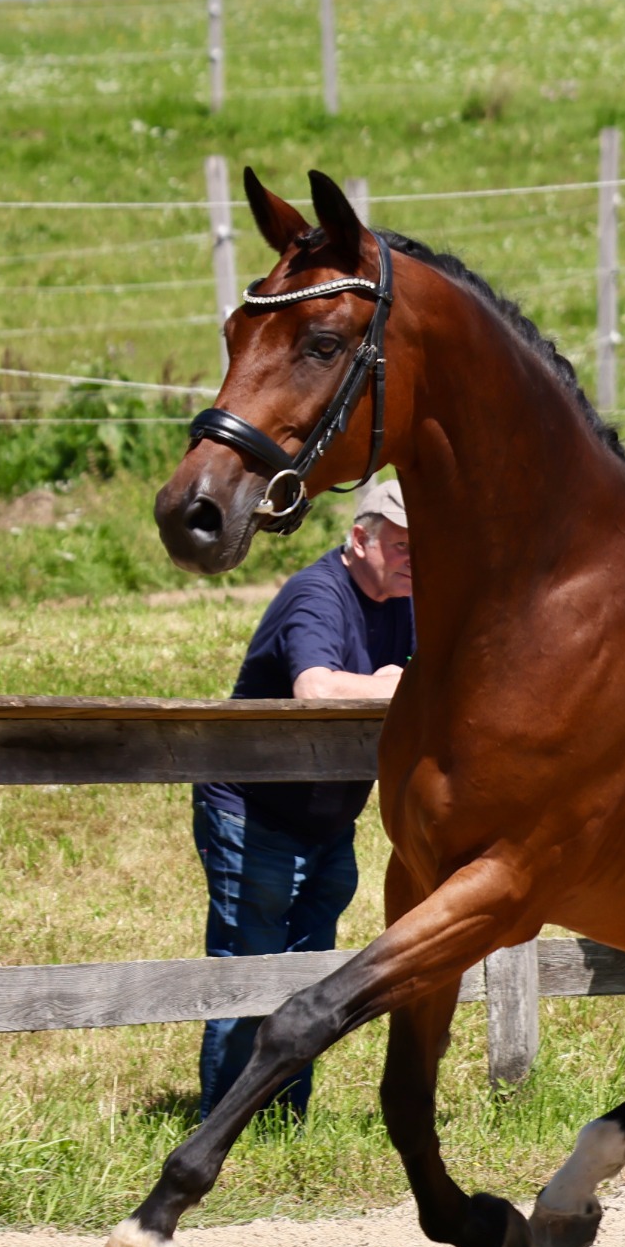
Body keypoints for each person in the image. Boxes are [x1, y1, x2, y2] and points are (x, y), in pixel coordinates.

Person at [192, 478, 414, 1123]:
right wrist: (391, 685)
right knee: (249, 971)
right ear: (359, 539)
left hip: (328, 819)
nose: (412, 561)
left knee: (309, 974)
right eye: (401, 546)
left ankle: (284, 1119)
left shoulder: (406, 600)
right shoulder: (317, 593)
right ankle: (225, 1122)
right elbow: (316, 687)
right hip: (254, 811)